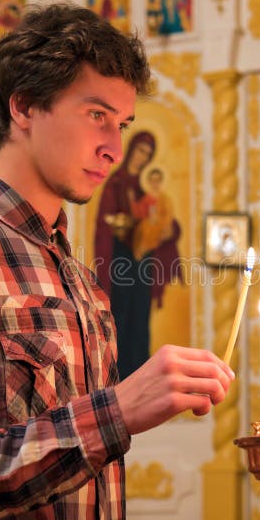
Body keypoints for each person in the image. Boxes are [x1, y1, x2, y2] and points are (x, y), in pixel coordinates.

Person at [0, 2, 232, 520]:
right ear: (25, 107)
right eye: (97, 115)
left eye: (123, 124)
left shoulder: (80, 280)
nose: (114, 149)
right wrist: (116, 413)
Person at [95, 131, 181, 380]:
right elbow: (105, 225)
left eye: (148, 153)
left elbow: (168, 221)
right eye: (140, 150)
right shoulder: (116, 184)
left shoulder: (146, 187)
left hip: (143, 262)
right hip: (120, 260)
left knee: (141, 315)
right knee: (121, 315)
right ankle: (120, 379)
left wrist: (167, 229)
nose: (142, 157)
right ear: (131, 149)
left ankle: (142, 376)